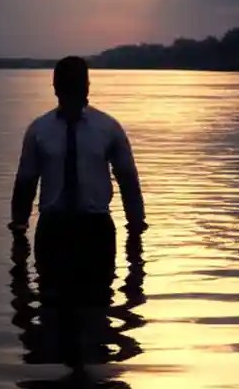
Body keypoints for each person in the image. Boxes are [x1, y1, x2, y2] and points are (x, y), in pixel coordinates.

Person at [9, 56, 147, 248]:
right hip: (52, 230)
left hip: (96, 229)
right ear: (56, 87)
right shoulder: (39, 131)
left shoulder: (108, 128)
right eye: (68, 84)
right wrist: (19, 229)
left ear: (87, 86)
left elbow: (128, 182)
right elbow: (25, 183)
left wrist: (136, 229)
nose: (72, 91)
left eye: (76, 84)